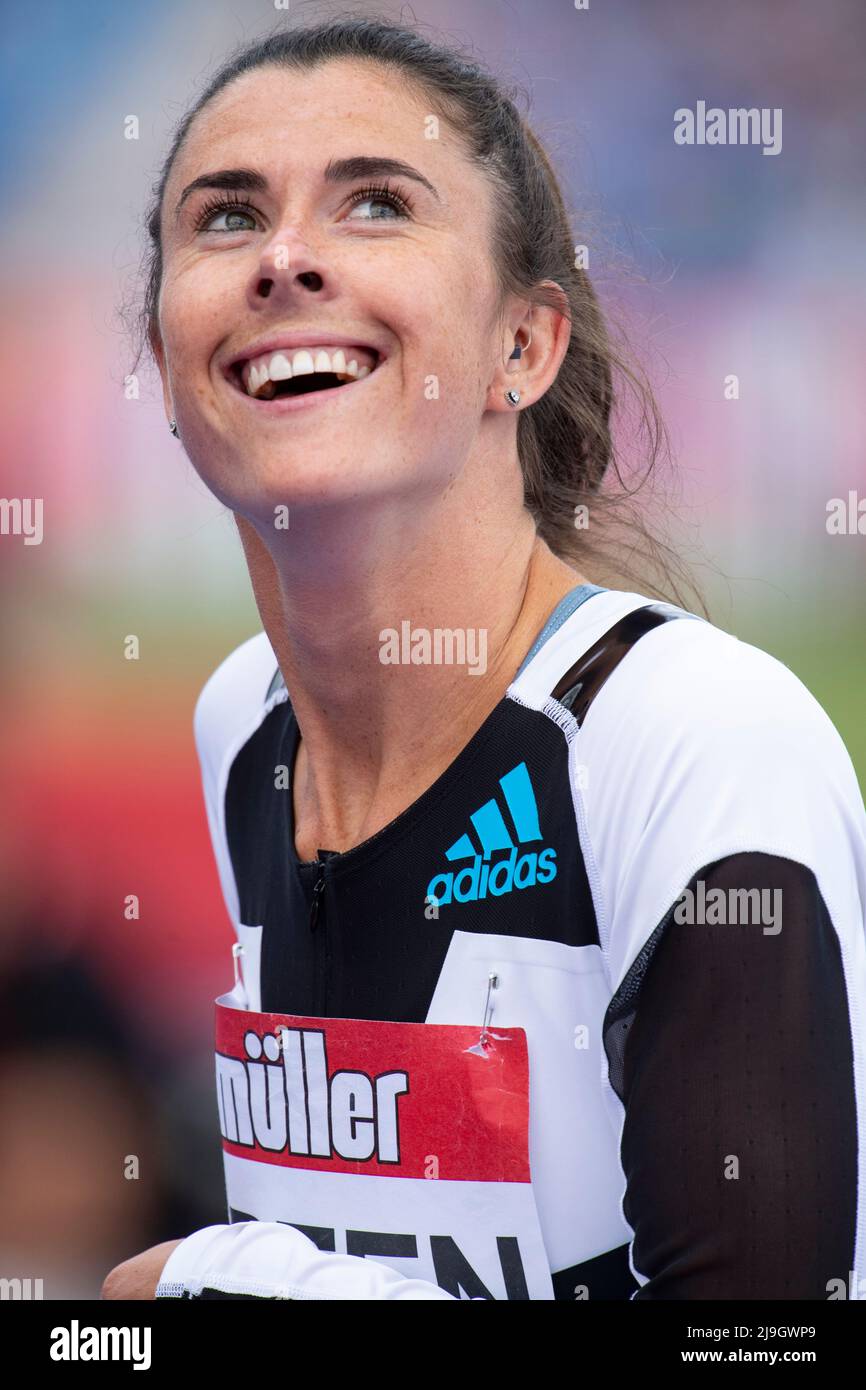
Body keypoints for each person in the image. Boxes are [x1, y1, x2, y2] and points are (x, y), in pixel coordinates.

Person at [102, 17, 866, 1301]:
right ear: (171, 368)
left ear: (524, 346)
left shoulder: (693, 737)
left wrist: (232, 1290)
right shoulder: (242, 723)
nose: (284, 258)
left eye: (376, 205)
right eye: (225, 218)